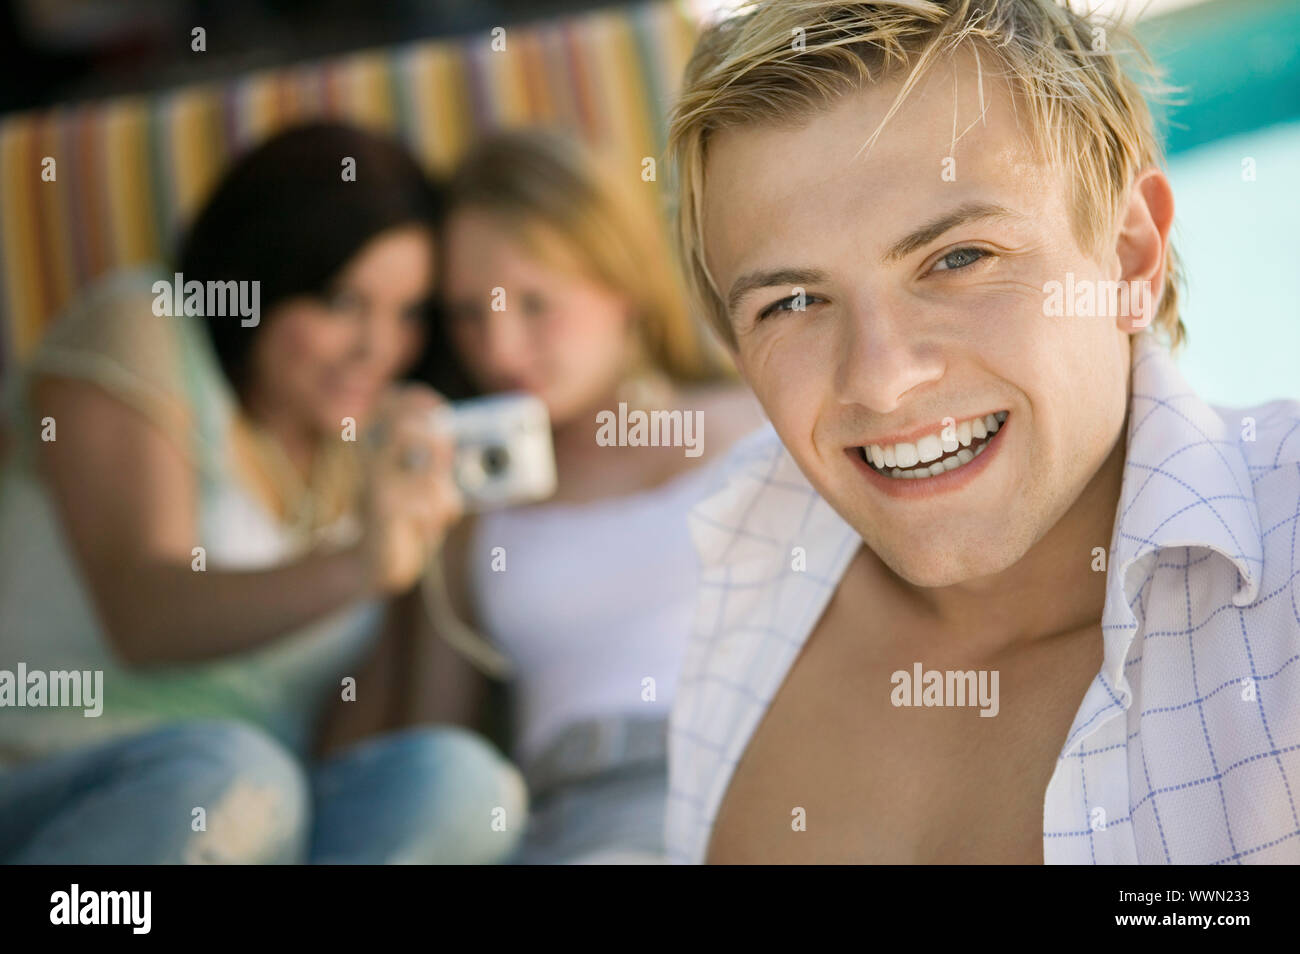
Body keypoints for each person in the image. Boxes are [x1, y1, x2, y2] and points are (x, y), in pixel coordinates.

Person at [663, 0, 1300, 864]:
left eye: (958, 258)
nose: (881, 381)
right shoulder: (748, 538)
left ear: (1128, 256)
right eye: (795, 302)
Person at [0, 121, 526, 864]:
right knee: (230, 775)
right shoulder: (144, 321)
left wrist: (416, 560)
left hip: (256, 828)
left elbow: (344, 750)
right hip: (56, 781)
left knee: (463, 784)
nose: (378, 349)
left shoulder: (372, 446)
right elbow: (145, 616)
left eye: (408, 313)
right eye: (344, 302)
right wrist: (358, 567)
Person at [416, 129, 765, 863]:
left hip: (780, 777)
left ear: (622, 283)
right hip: (585, 811)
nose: (501, 350)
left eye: (535, 304)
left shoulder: (760, 419)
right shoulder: (467, 509)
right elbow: (426, 765)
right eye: (469, 316)